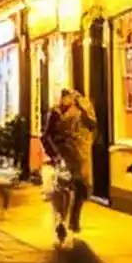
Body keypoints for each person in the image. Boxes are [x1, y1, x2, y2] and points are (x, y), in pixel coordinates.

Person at [42, 88, 97, 239]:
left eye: (70, 98)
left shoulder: (80, 111)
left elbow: (92, 124)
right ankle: (60, 221)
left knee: (82, 186)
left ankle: (73, 219)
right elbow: (46, 136)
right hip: (63, 156)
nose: (67, 101)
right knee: (62, 189)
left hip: (80, 156)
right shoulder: (55, 113)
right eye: (65, 97)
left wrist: (84, 107)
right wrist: (56, 155)